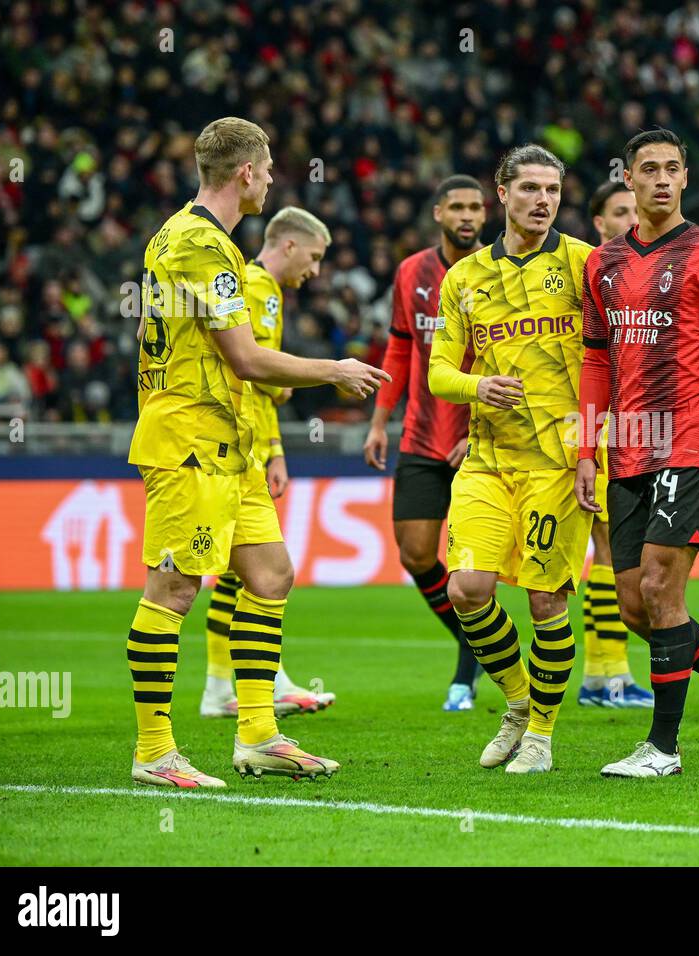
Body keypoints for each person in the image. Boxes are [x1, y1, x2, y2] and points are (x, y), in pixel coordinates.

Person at [126, 117, 387, 788]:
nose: (271, 182)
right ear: (246, 173)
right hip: (188, 439)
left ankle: (259, 736)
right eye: (268, 171)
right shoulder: (198, 245)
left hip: (228, 442)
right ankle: (154, 751)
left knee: (271, 574)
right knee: (175, 587)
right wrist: (333, 368)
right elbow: (244, 358)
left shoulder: (201, 242)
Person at [576, 128, 699, 778]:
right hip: (627, 447)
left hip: (691, 441)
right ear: (626, 178)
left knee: (661, 585)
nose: (660, 178)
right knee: (636, 605)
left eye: (672, 168)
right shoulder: (600, 264)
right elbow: (596, 361)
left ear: (686, 178)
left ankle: (663, 748)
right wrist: (585, 449)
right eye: (648, 168)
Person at [428, 145, 594, 774]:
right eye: (529, 188)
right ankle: (520, 703)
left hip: (558, 460)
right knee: (466, 589)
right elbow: (440, 371)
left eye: (552, 189)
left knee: (547, 602)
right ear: (503, 193)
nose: (543, 200)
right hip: (489, 461)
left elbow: (610, 359)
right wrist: (479, 387)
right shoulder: (465, 278)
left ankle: (543, 739)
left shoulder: (584, 265)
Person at [198, 206, 339, 720]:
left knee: (240, 574)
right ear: (288, 246)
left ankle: (220, 687)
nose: (315, 271)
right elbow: (253, 367)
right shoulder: (257, 287)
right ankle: (256, 682)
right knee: (253, 574)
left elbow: (263, 383)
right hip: (233, 445)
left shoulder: (263, 288)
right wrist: (292, 384)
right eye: (314, 258)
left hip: (252, 444)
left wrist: (276, 449)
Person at [364, 174, 488, 713]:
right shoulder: (411, 272)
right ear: (438, 212)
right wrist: (377, 421)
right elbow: (398, 347)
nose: (467, 216)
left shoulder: (494, 275)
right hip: (419, 435)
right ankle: (471, 640)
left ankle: (464, 676)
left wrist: (480, 428)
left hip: (479, 443)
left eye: (475, 208)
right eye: (457, 207)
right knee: (415, 554)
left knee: (470, 567)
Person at [575, 180, 654, 709]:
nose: (631, 218)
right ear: (599, 222)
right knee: (607, 542)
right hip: (596, 418)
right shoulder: (592, 265)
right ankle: (611, 674)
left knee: (609, 545)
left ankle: (601, 672)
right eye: (619, 211)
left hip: (628, 418)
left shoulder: (627, 269)